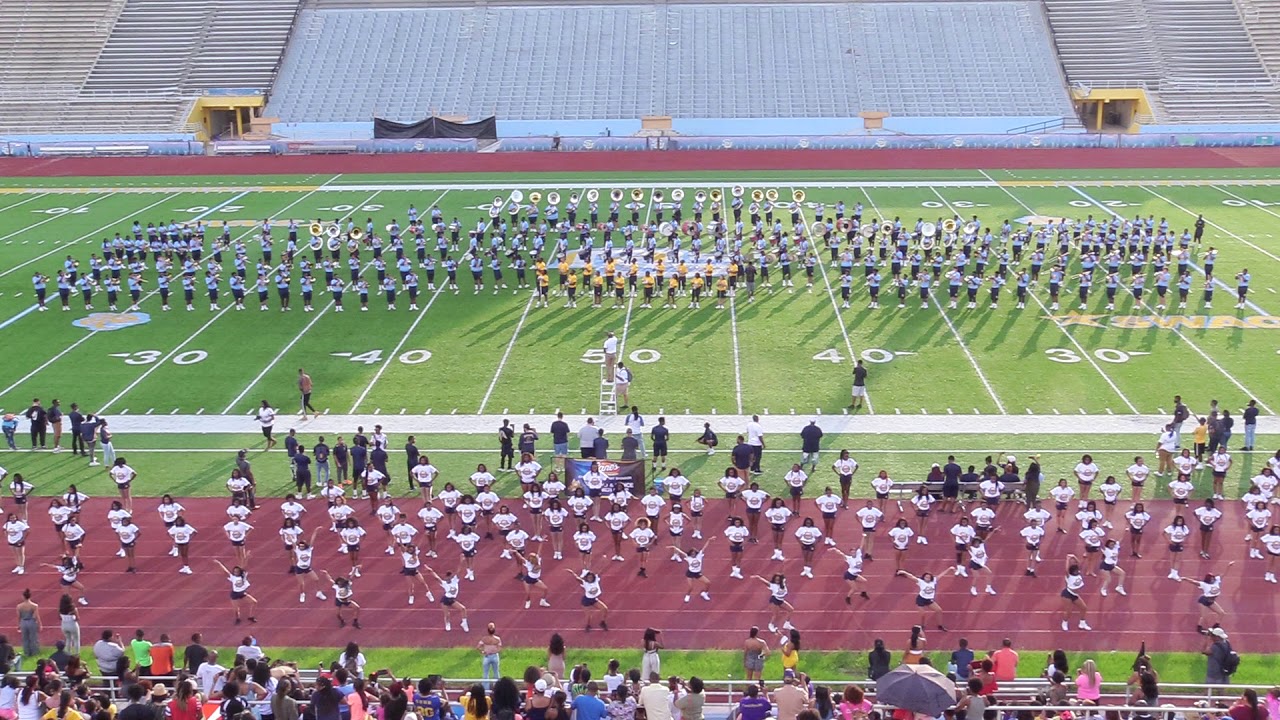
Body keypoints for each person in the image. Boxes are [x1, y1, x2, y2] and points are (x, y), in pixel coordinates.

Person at [15, 590, 39, 663]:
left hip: (23, 622)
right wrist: (39, 624)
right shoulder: (34, 605)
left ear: (23, 596)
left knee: (25, 638)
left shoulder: (19, 606)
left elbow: (18, 616)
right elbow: (36, 616)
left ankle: (27, 653)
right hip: (31, 621)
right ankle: (34, 652)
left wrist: (18, 625)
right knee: (33, 638)